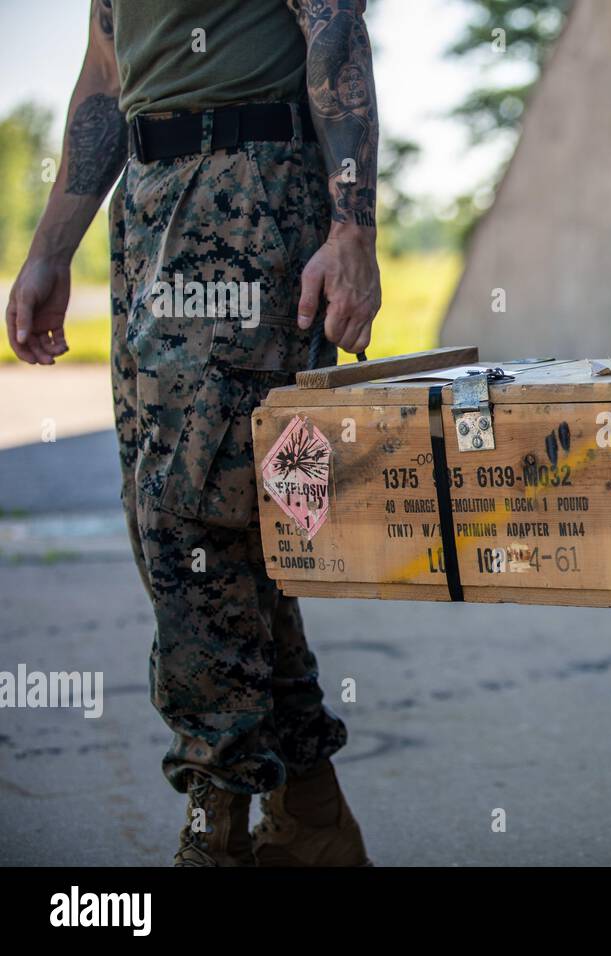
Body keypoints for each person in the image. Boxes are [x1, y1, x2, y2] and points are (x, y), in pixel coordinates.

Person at [4, 0, 382, 866]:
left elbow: (333, 28)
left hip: (244, 192)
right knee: (206, 523)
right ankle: (311, 816)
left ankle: (219, 827)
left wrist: (353, 225)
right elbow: (106, 72)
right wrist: (51, 248)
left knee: (188, 526)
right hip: (145, 211)